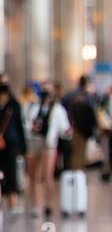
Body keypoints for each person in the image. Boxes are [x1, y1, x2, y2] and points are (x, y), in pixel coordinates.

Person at [24, 83, 66, 219]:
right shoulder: (31, 107)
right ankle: (36, 205)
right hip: (33, 142)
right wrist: (32, 128)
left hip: (49, 143)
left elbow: (64, 129)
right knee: (33, 176)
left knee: (48, 176)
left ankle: (48, 205)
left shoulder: (57, 109)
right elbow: (26, 124)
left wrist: (66, 132)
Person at [0, 84, 26, 213]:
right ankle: (9, 202)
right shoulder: (11, 105)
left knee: (11, 172)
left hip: (10, 144)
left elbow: (19, 126)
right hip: (7, 143)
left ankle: (12, 202)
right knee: (7, 172)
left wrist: (22, 146)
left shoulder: (14, 105)